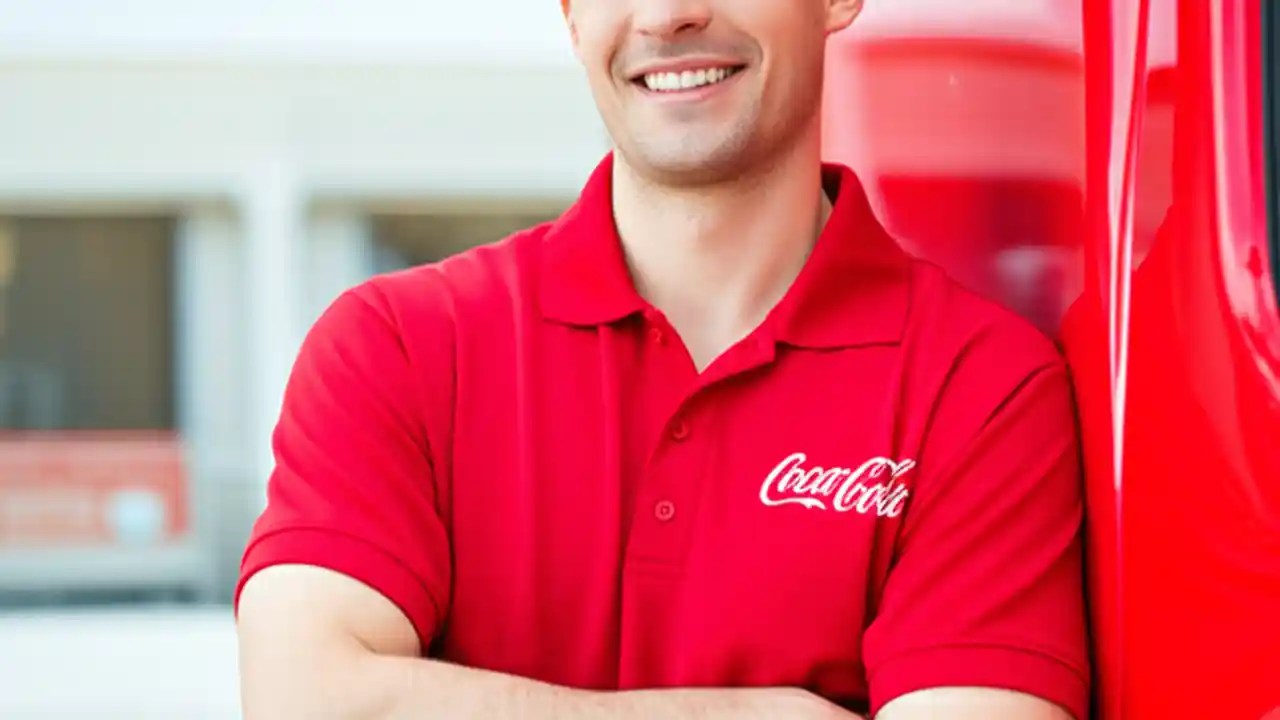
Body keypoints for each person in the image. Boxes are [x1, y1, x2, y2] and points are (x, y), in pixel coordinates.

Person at [234, 0, 1090, 718]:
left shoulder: (983, 389)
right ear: (571, 14)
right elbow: (307, 698)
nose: (670, 15)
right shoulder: (398, 347)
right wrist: (757, 714)